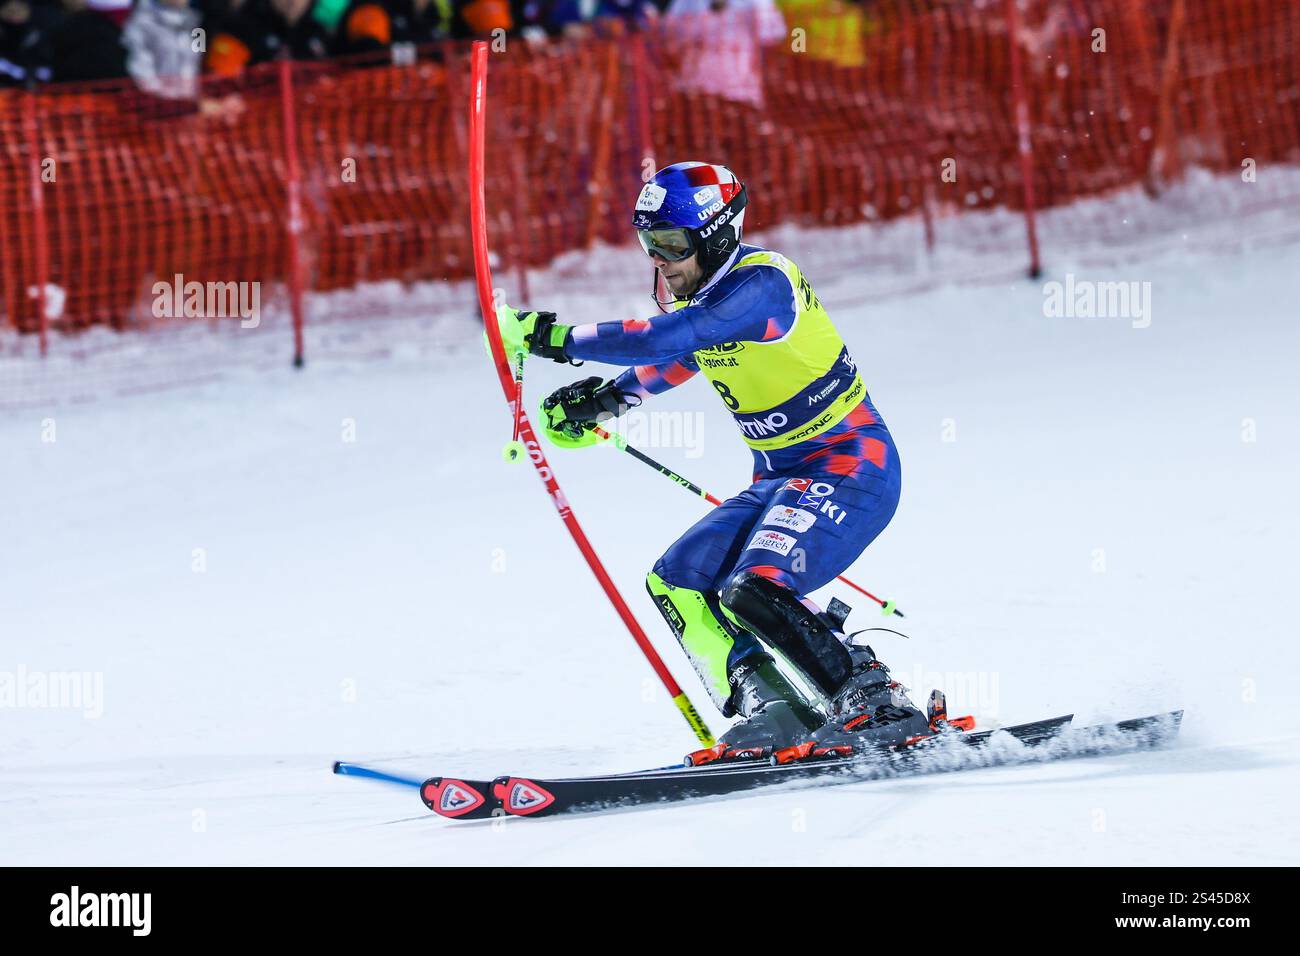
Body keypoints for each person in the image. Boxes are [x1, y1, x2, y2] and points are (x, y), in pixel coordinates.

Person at [498, 161, 930, 760]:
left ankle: (875, 701)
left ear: (717, 232)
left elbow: (665, 338)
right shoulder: (708, 303)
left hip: (851, 467)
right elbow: (676, 358)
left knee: (755, 587)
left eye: (672, 244)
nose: (660, 260)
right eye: (650, 244)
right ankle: (774, 708)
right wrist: (605, 401)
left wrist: (553, 339)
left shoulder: (763, 285)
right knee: (677, 581)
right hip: (784, 480)